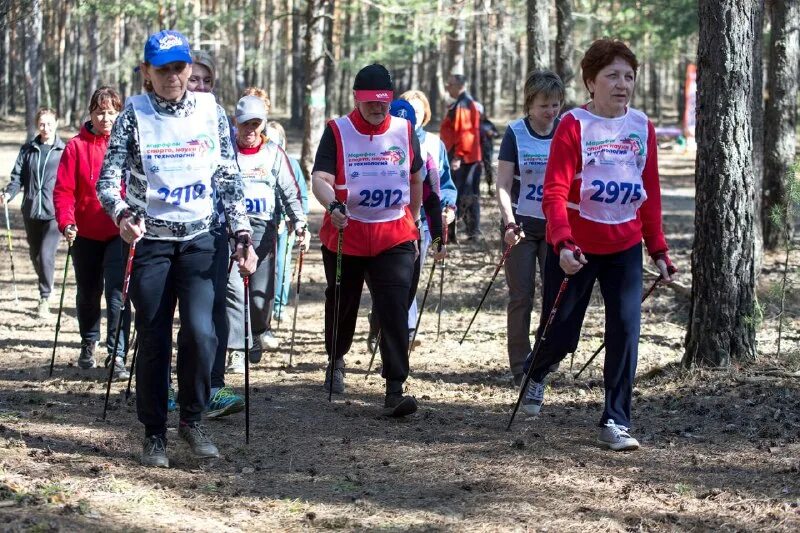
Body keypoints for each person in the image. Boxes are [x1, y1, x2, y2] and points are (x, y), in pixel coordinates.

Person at [96, 30, 257, 467]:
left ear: (189, 68)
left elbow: (228, 178)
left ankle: (193, 419)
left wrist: (242, 235)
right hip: (151, 242)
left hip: (202, 239)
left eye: (179, 67)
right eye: (162, 68)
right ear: (147, 72)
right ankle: (154, 433)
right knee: (152, 335)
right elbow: (108, 181)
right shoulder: (133, 114)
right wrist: (121, 216)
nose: (173, 76)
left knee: (202, 333)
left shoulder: (211, 111)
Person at [520, 39, 675, 451]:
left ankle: (615, 420)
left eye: (628, 76)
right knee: (563, 332)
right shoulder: (574, 124)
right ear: (591, 82)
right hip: (577, 245)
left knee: (625, 330)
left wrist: (658, 249)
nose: (622, 84)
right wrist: (562, 241)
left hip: (623, 243)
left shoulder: (642, 126)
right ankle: (538, 371)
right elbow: (553, 191)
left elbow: (651, 191)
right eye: (612, 76)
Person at [311, 63, 424, 417]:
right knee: (342, 300)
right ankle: (337, 359)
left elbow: (417, 179)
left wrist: (416, 220)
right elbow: (320, 178)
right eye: (371, 102)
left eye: (383, 101)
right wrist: (332, 205)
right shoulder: (338, 131)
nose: (378, 108)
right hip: (349, 232)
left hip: (394, 233)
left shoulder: (405, 130)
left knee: (394, 307)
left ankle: (394, 386)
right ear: (357, 99)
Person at [224, 97, 308, 376]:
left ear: (262, 125)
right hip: (231, 231)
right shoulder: (226, 151)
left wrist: (299, 222)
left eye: (255, 123)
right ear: (235, 122)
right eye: (245, 123)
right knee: (234, 289)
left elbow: (290, 190)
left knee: (260, 299)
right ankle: (236, 350)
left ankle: (257, 330)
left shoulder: (273, 153)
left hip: (262, 230)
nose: (250, 129)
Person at [53, 86, 131, 380]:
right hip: (85, 232)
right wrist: (66, 221)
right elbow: (63, 191)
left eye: (112, 112)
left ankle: (118, 352)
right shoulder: (75, 147)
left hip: (118, 231)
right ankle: (89, 340)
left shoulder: (126, 146)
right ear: (91, 114)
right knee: (88, 291)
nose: (106, 118)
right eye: (100, 112)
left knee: (117, 292)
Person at [496, 71, 565, 387]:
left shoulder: (566, 131)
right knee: (521, 295)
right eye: (544, 106)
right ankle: (518, 365)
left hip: (556, 227)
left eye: (555, 105)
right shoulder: (515, 133)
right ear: (530, 105)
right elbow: (503, 184)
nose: (550, 112)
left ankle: (544, 359)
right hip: (521, 226)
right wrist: (508, 222)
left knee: (554, 297)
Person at [1, 108, 66, 318]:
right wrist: (9, 194)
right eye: (42, 124)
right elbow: (17, 177)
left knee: (46, 254)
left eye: (49, 123)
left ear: (56, 123)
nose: (45, 128)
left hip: (54, 212)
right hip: (30, 210)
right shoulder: (28, 149)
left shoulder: (64, 150)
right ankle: (46, 283)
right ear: (37, 125)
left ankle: (44, 298)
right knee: (35, 256)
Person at [268, 121, 310, 324]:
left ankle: (278, 305)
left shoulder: (291, 164)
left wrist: (298, 220)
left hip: (286, 225)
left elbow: (300, 195)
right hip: (264, 224)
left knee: (282, 266)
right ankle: (262, 309)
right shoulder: (260, 159)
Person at [440, 74, 482, 242]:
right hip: (464, 157)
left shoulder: (464, 104)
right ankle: (458, 233)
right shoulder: (460, 103)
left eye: (449, 84)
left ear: (459, 85)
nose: (447, 87)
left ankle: (471, 232)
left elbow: (465, 133)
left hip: (465, 160)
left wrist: (458, 157)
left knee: (465, 195)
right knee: (463, 195)